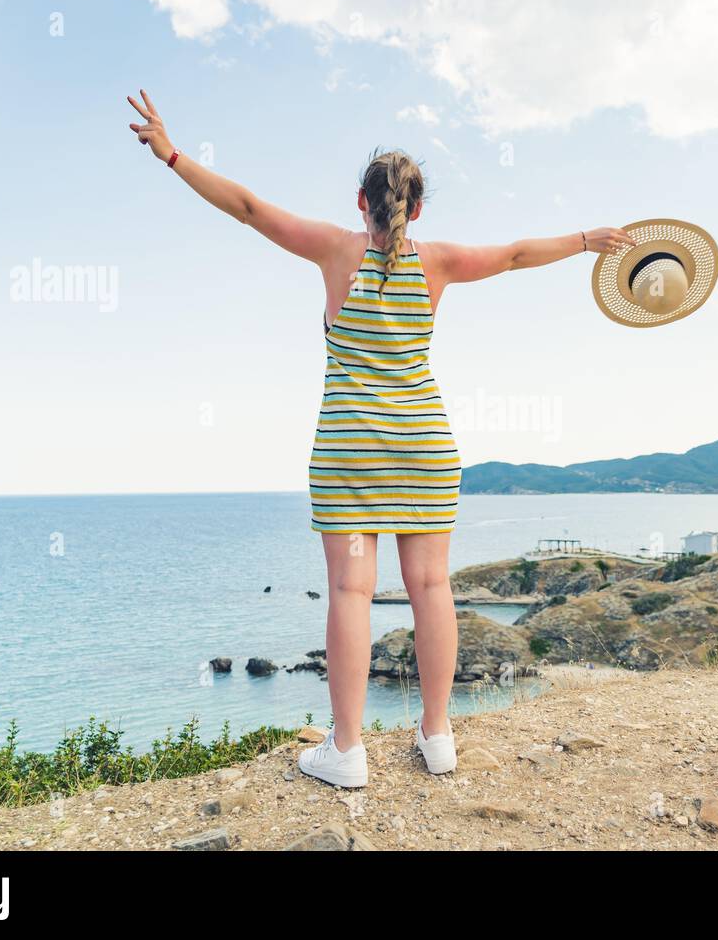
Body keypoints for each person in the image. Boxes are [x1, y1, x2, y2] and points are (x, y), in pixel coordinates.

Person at [127, 91, 635, 787]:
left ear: (358, 203)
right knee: (431, 586)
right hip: (424, 446)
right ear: (417, 210)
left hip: (351, 450)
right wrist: (587, 240)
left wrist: (173, 154)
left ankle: (347, 750)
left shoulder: (335, 251)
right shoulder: (441, 262)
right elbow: (517, 254)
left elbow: (246, 207)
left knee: (350, 592)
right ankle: (438, 735)